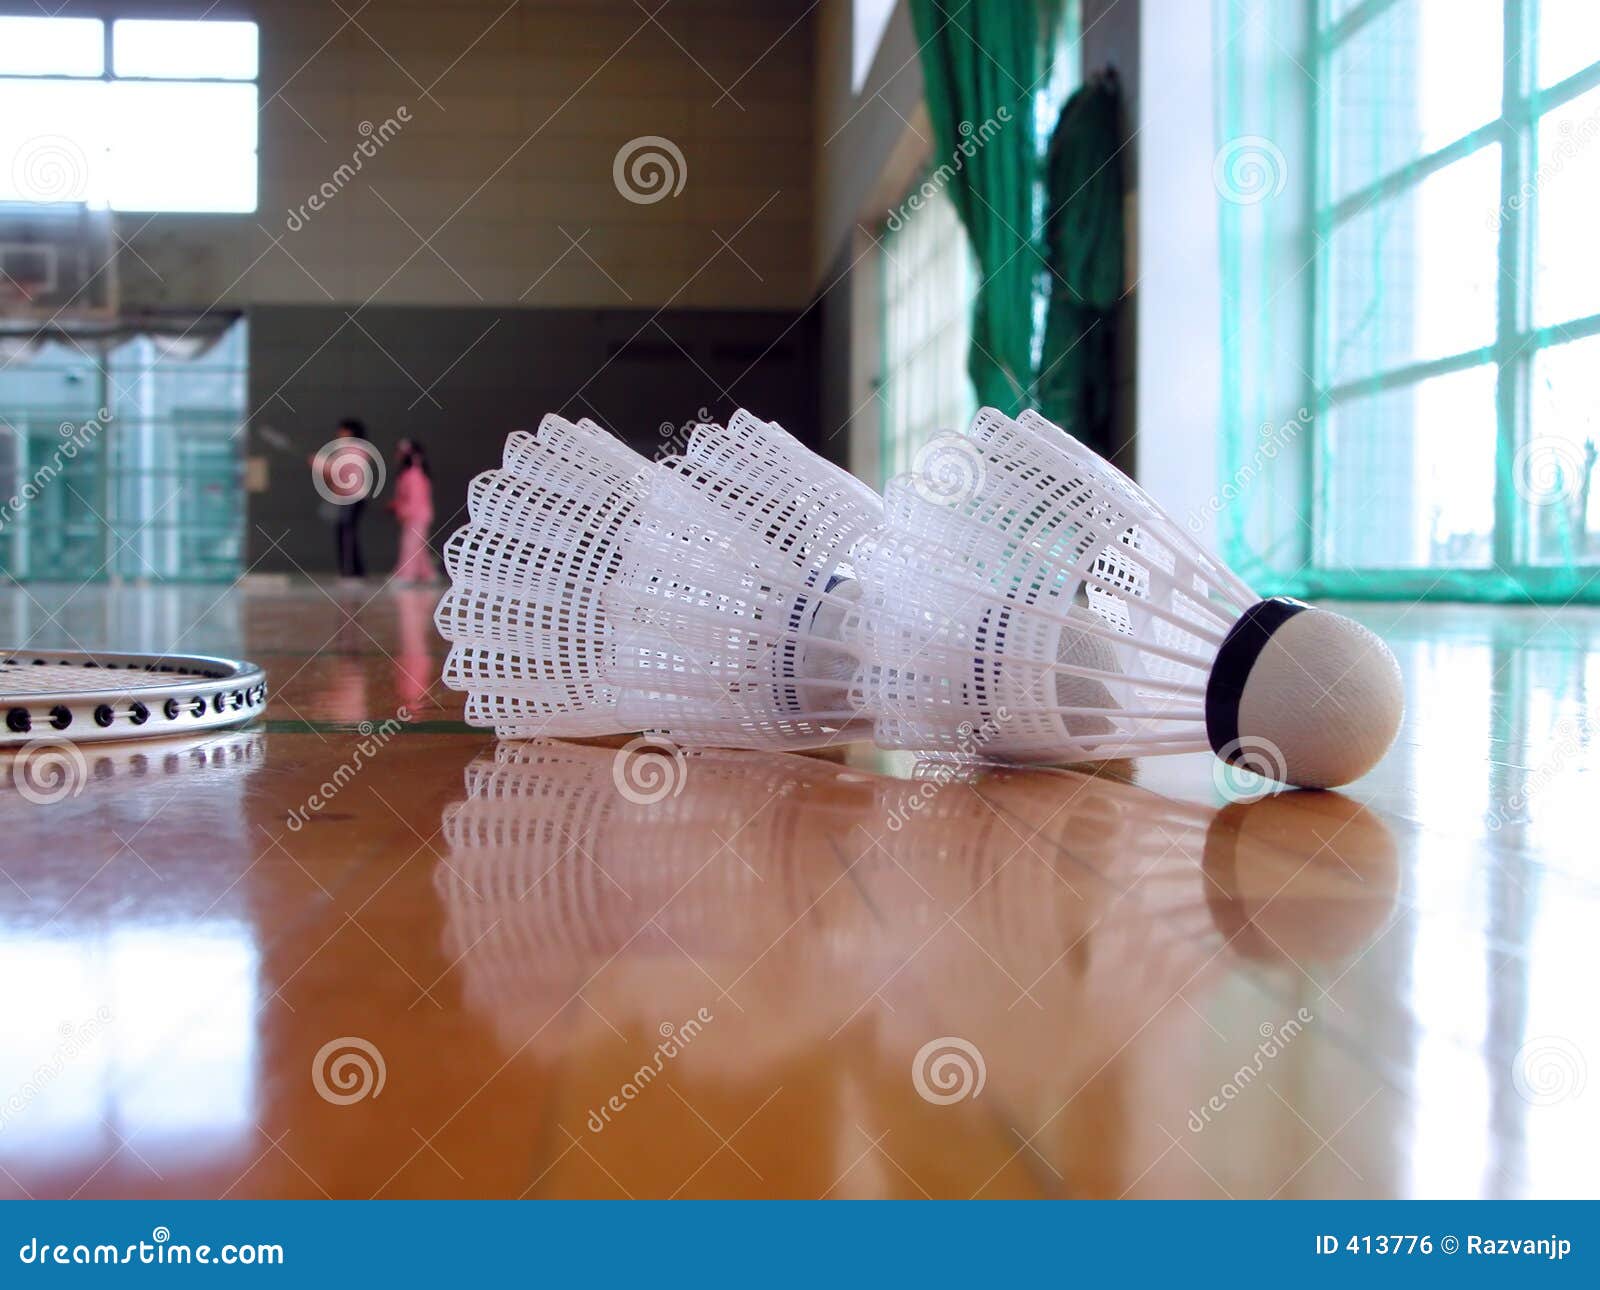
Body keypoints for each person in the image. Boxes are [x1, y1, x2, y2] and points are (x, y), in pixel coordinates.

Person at [311, 418, 373, 579]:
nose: (338, 433)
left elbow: (338, 468)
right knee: (345, 533)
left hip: (352, 498)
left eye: (342, 430)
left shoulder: (354, 449)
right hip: (346, 499)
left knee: (347, 534)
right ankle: (352, 570)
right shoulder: (348, 449)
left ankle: (350, 571)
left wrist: (319, 463)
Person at [388, 438, 439, 585]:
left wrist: (403, 511)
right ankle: (428, 574)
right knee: (419, 546)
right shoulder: (409, 474)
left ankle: (407, 576)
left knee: (410, 545)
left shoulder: (414, 474)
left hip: (417, 516)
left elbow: (415, 500)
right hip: (413, 515)